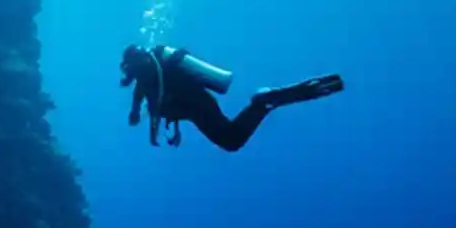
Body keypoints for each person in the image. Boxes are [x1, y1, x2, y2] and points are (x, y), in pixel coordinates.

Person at [119, 43, 343, 150]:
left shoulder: (144, 80)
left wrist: (139, 116)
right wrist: (140, 117)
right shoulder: (147, 77)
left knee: (231, 141)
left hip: (198, 106)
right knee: (231, 139)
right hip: (199, 104)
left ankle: (262, 103)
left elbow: (143, 101)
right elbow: (142, 102)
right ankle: (263, 104)